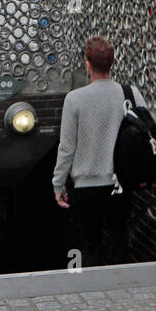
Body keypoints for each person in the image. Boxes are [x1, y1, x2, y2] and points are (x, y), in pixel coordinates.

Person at [52, 36, 145, 267]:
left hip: (85, 186)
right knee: (118, 237)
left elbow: (67, 147)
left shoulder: (74, 99)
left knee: (85, 243)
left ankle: (81, 286)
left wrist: (58, 184)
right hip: (119, 184)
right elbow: (143, 137)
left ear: (87, 64)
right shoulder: (130, 94)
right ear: (112, 63)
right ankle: (118, 288)